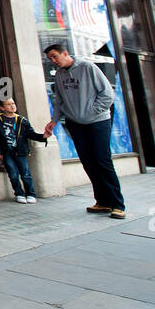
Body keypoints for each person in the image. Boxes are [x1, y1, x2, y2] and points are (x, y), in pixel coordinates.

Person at [42, 44, 125, 218]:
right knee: (88, 162)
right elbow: (59, 101)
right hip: (75, 123)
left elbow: (107, 94)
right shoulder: (59, 75)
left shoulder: (87, 67)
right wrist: (53, 121)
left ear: (65, 53)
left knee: (102, 161)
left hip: (98, 122)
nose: (53, 60)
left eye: (55, 56)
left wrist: (91, 112)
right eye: (50, 58)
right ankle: (102, 201)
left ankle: (118, 204)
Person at [0, 98, 47, 204]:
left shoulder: (22, 120)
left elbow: (30, 134)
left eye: (13, 103)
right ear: (2, 108)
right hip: (7, 152)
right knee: (13, 174)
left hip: (20, 151)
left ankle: (30, 194)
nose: (12, 106)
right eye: (8, 104)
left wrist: (43, 137)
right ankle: (19, 193)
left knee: (25, 173)